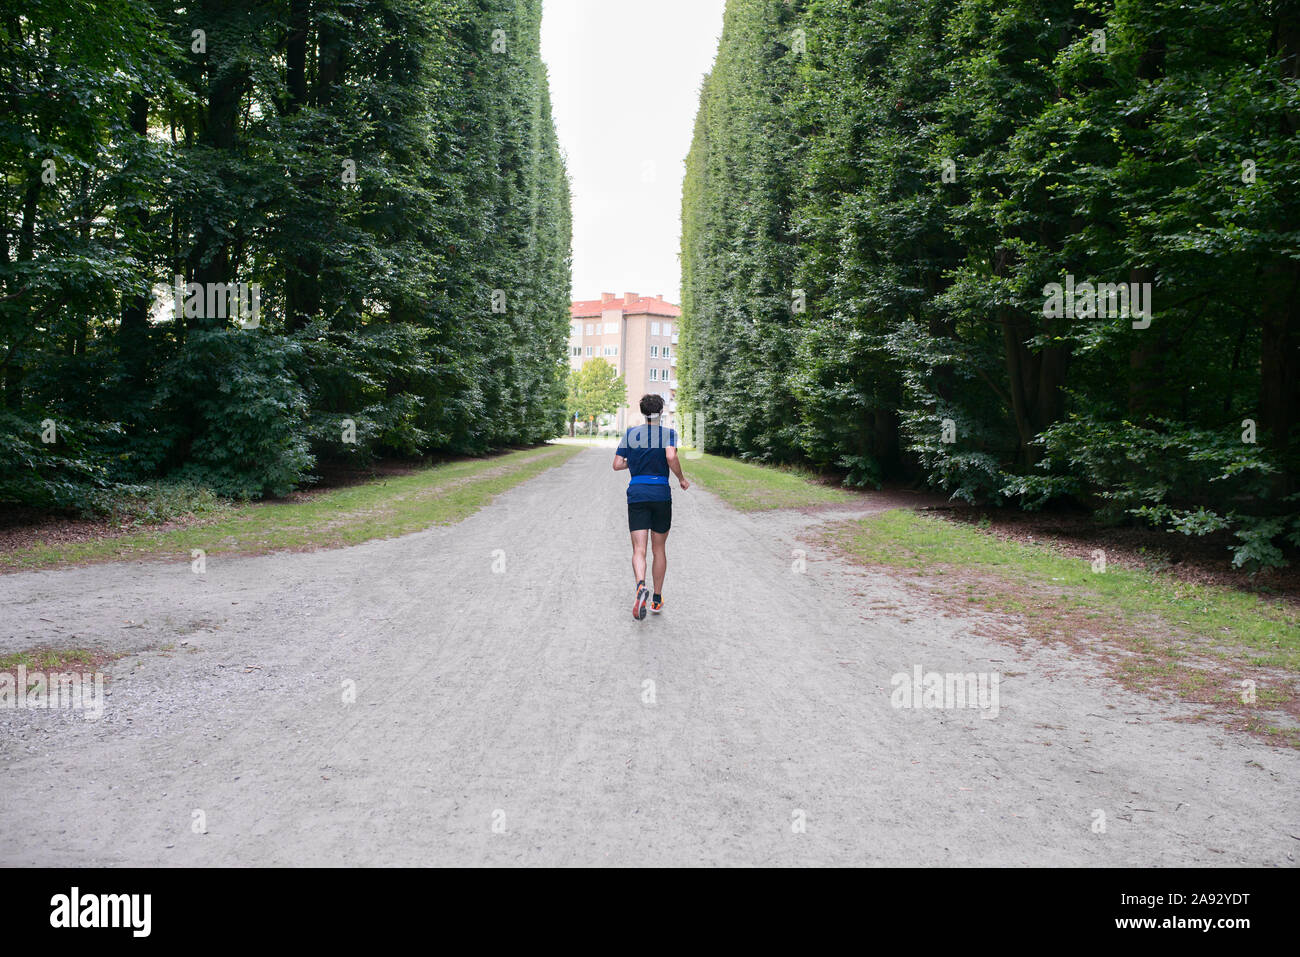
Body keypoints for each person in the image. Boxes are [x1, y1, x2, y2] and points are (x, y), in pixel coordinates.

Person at [612, 394, 689, 620]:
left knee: (639, 550)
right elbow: (670, 455)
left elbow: (617, 464)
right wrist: (681, 479)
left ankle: (639, 586)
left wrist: (633, 463)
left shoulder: (631, 434)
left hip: (636, 493)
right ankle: (656, 598)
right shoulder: (668, 434)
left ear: (643, 412)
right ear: (661, 411)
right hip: (660, 494)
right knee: (659, 549)